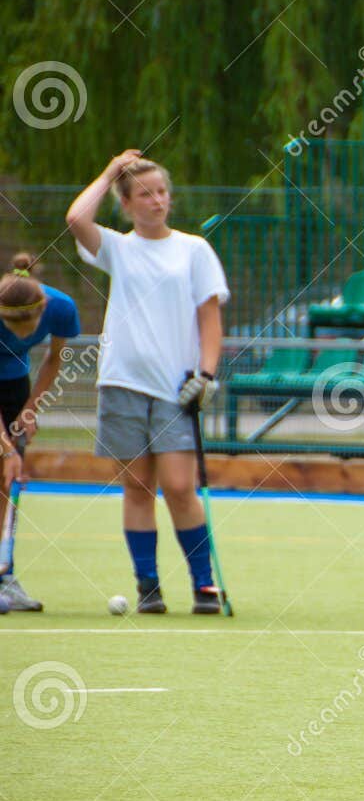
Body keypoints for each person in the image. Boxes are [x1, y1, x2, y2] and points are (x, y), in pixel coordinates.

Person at [67, 150, 230, 615]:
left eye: (161, 192)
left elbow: (210, 318)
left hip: (176, 387)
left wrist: (207, 374)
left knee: (180, 486)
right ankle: (149, 587)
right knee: (137, 487)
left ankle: (203, 585)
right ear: (127, 202)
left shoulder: (194, 249)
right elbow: (76, 217)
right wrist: (109, 171)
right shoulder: (118, 249)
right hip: (121, 382)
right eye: (144, 194)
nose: (157, 201)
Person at [0, 252, 80, 610]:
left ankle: (4, 575)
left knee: (5, 483)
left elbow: (54, 358)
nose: (23, 335)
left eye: (28, 328)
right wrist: (6, 447)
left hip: (16, 384)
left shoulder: (61, 308)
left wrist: (30, 410)